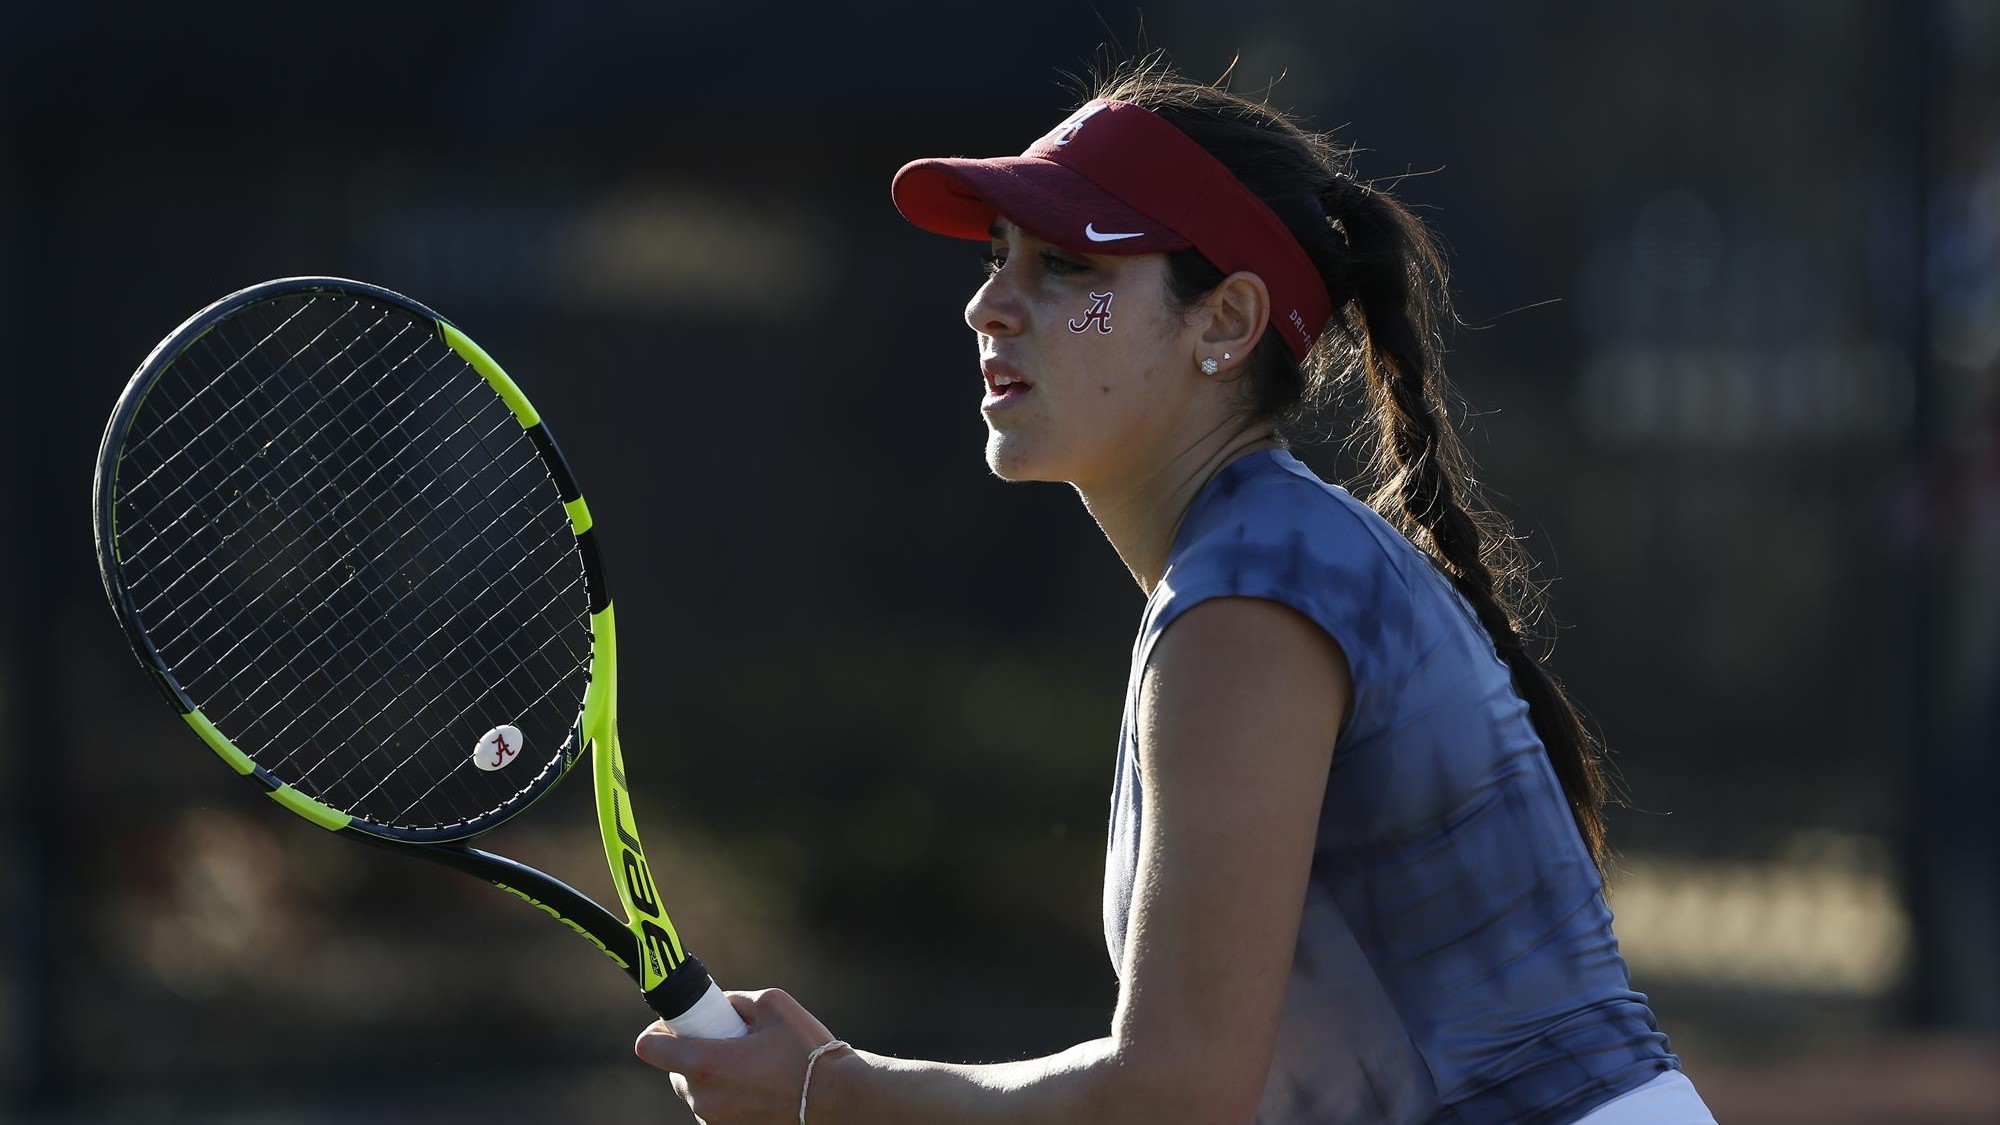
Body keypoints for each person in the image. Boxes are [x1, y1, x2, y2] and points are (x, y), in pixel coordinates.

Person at [634, 60, 1718, 1125]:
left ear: (1225, 324)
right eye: (998, 254)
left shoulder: (1250, 596)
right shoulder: (1261, 562)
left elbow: (1171, 1095)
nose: (988, 305)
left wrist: (835, 1094)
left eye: (1065, 264)